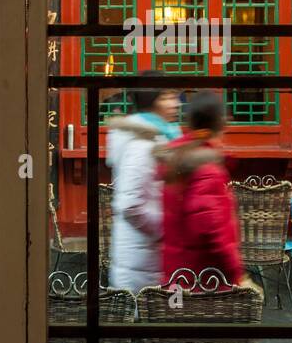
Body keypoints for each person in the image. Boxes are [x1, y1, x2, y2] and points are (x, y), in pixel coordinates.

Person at [154, 91, 256, 290]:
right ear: (220, 123)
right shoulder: (207, 167)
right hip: (205, 282)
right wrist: (238, 276)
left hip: (180, 275)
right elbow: (212, 230)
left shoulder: (178, 156)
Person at [105, 89, 181, 291]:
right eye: (168, 97)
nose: (176, 103)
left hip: (149, 256)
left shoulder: (159, 137)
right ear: (153, 101)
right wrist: (166, 229)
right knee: (143, 317)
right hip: (141, 259)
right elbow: (130, 206)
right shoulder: (141, 144)